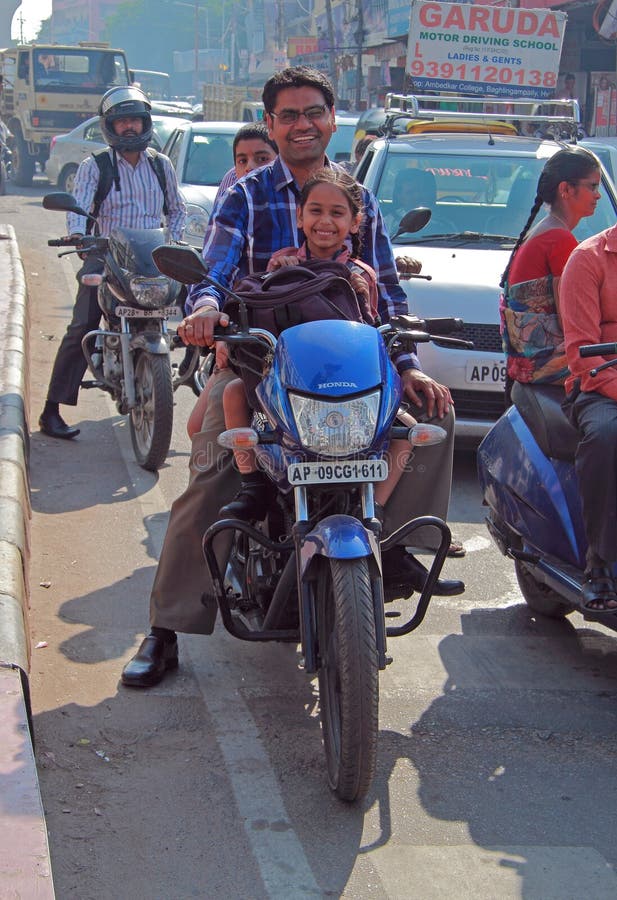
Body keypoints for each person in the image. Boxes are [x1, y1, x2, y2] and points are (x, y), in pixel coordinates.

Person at [121, 66, 462, 689]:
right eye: (289, 115)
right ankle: (167, 626)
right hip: (259, 370)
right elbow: (215, 273)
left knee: (435, 415)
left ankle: (393, 548)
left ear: (333, 121)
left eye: (314, 114)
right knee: (215, 469)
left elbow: (387, 291)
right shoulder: (246, 195)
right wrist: (203, 310)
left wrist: (409, 365)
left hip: (350, 371)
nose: (303, 125)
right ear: (273, 124)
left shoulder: (362, 197)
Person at [218, 167, 411, 520]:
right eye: (316, 211)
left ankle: (378, 512)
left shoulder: (361, 272)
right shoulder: (282, 263)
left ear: (355, 222)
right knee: (232, 393)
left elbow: (370, 331)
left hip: (350, 385)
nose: (326, 222)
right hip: (293, 383)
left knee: (406, 430)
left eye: (337, 213)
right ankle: (252, 485)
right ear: (301, 217)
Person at [38, 85, 186, 439]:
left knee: (196, 303)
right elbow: (81, 209)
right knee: (83, 325)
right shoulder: (96, 166)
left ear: (145, 123)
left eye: (135, 120)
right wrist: (79, 235)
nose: (130, 128)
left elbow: (177, 210)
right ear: (111, 126)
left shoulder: (160, 165)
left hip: (153, 258)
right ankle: (51, 410)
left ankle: (197, 374)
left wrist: (176, 241)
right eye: (123, 122)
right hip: (107, 254)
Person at [499, 147, 601, 404]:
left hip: (527, 366)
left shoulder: (547, 231)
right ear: (566, 189)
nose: (598, 195)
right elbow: (572, 319)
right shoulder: (559, 238)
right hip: (547, 367)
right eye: (592, 186)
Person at [560, 219, 617, 613]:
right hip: (601, 385)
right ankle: (600, 563)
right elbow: (584, 352)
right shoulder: (588, 259)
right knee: (606, 438)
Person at [215, 122, 278, 201]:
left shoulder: (291, 197)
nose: (250, 167)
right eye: (243, 161)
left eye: (262, 159)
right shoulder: (231, 186)